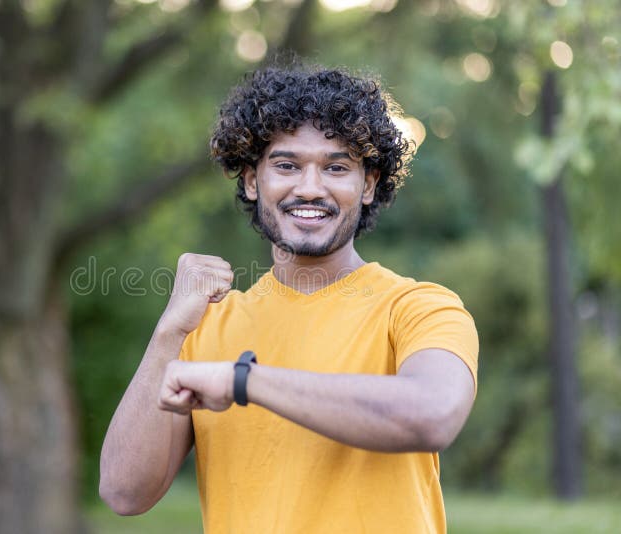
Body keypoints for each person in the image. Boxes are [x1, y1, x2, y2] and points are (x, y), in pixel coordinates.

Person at [100, 65, 478, 534]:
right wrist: (170, 332)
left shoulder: (420, 308)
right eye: (286, 165)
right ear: (252, 180)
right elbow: (124, 492)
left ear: (369, 184)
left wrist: (245, 381)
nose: (310, 188)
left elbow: (431, 414)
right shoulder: (207, 325)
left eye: (336, 167)